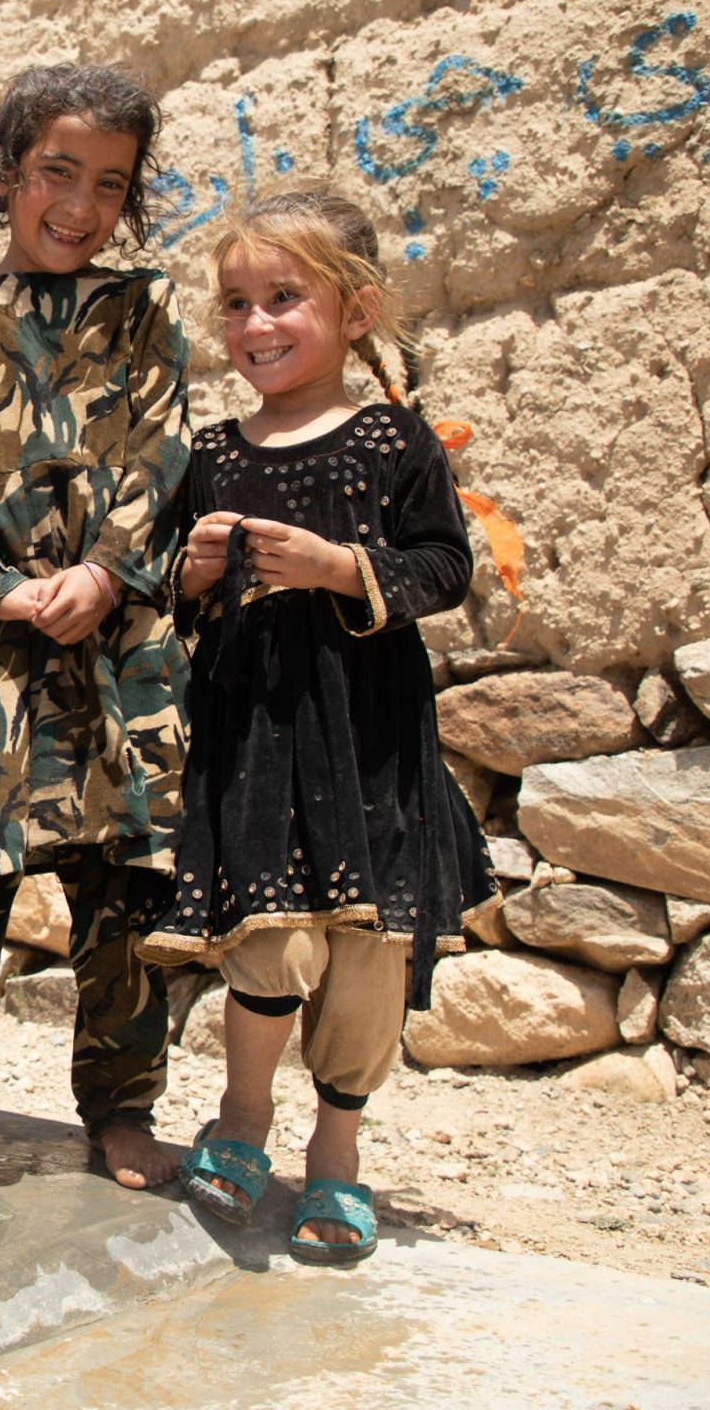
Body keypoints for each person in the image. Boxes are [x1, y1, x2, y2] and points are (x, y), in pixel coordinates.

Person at [135, 188, 490, 1263]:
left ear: (356, 311)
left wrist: (343, 570)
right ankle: (242, 1121)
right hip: (257, 743)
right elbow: (174, 598)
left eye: (283, 298)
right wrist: (189, 573)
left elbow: (444, 569)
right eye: (236, 303)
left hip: (369, 739)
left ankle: (335, 1160)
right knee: (268, 939)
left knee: (368, 960)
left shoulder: (392, 440)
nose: (255, 325)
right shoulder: (210, 454)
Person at [0, 63, 188, 1191]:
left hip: (120, 650)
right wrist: (9, 594)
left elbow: (161, 454)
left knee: (124, 891)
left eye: (109, 183)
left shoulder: (146, 310)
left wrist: (109, 576)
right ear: (6, 179)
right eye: (57, 172)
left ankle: (119, 1110)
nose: (79, 204)